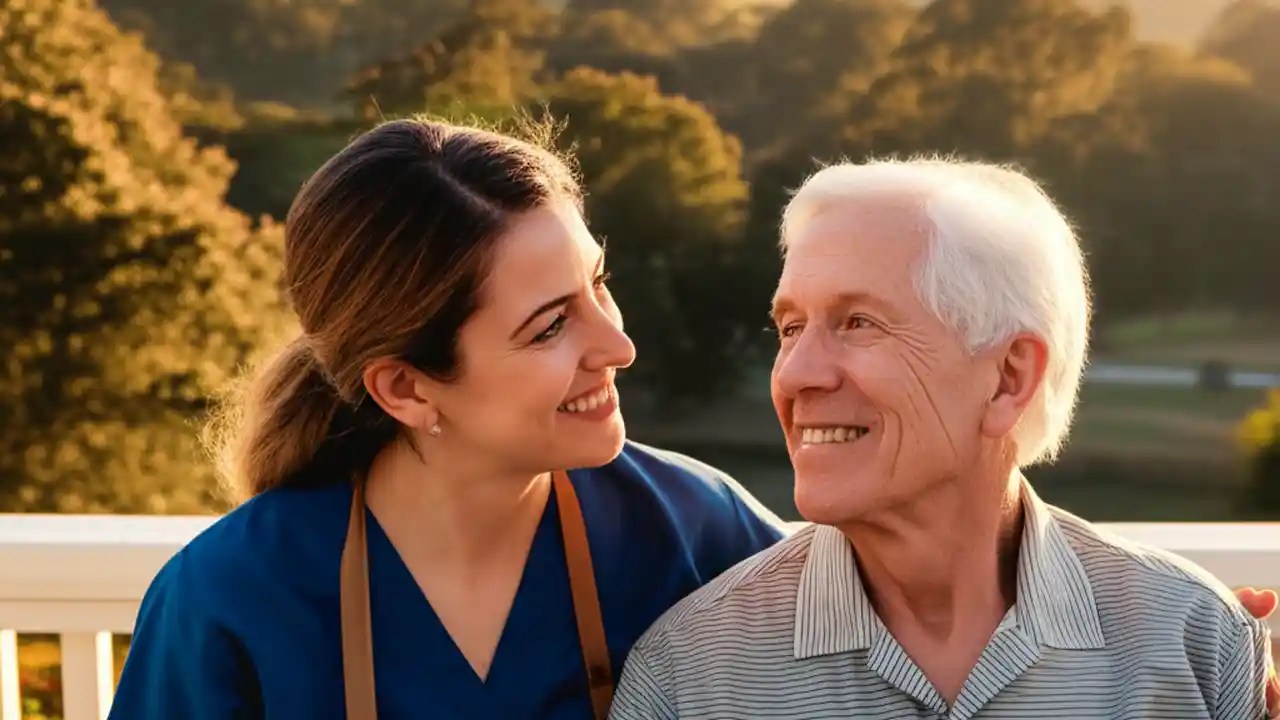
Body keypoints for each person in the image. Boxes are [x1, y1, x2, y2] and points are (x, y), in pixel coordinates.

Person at [107, 118, 786, 719]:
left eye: (598, 285)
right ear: (406, 388)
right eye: (550, 327)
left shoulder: (697, 532)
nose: (618, 346)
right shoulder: (228, 601)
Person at [608, 159, 1278, 719]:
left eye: (859, 322)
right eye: (790, 327)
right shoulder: (689, 677)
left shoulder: (1196, 644)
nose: (796, 374)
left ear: (1009, 378)